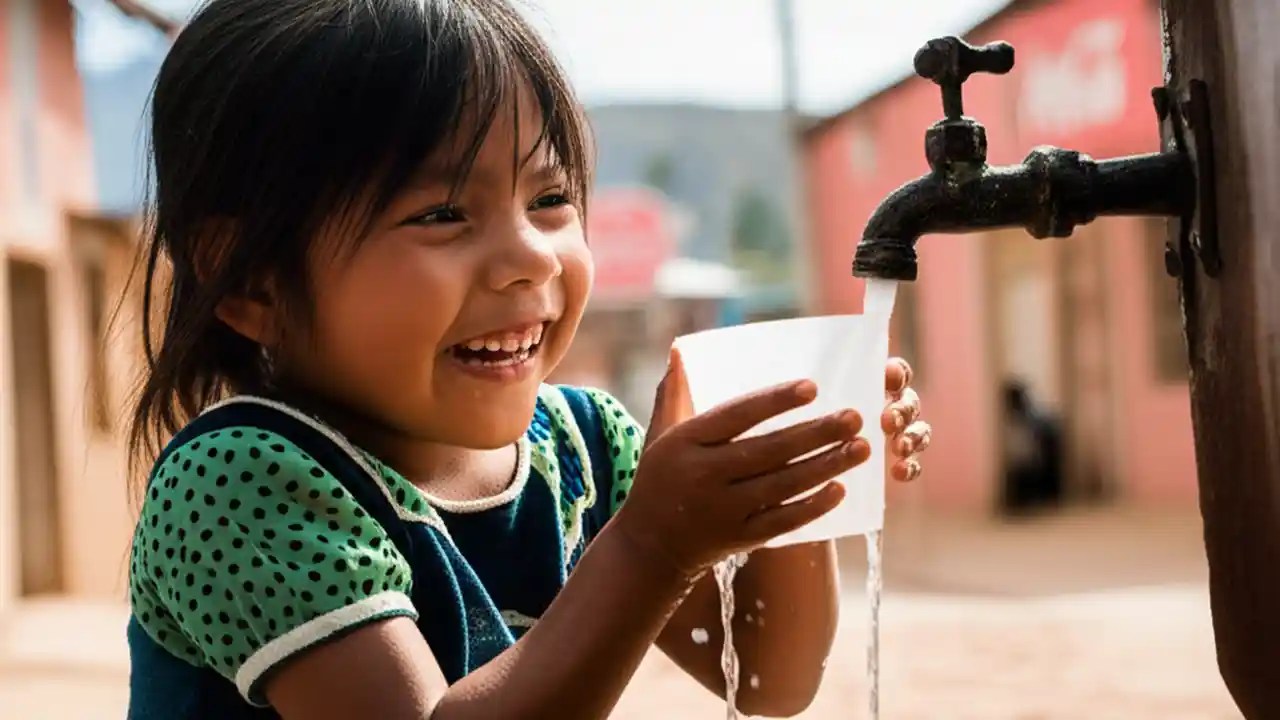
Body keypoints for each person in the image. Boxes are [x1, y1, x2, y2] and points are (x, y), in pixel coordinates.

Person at [123, 2, 933, 718]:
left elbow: (766, 676)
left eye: (549, 199)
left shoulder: (582, 444)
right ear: (253, 280)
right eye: (443, 213)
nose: (533, 259)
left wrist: (794, 483)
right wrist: (653, 546)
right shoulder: (236, 480)